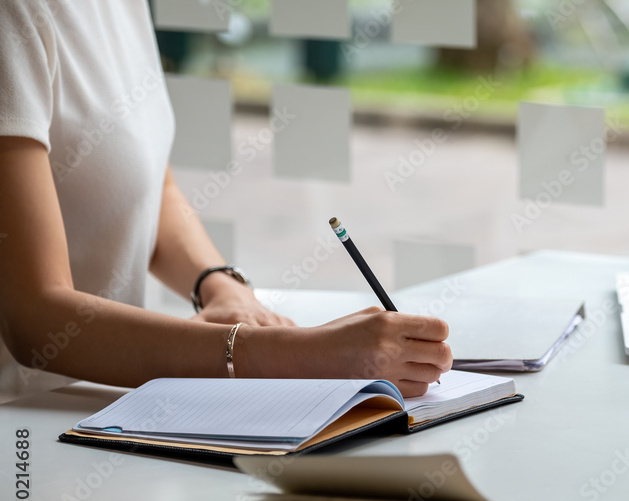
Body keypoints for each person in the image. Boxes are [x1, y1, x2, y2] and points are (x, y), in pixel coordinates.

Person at [0, 1, 451, 404]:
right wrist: (302, 357)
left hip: (101, 408)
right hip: (24, 426)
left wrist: (220, 286)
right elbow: (34, 316)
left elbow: (150, 187)